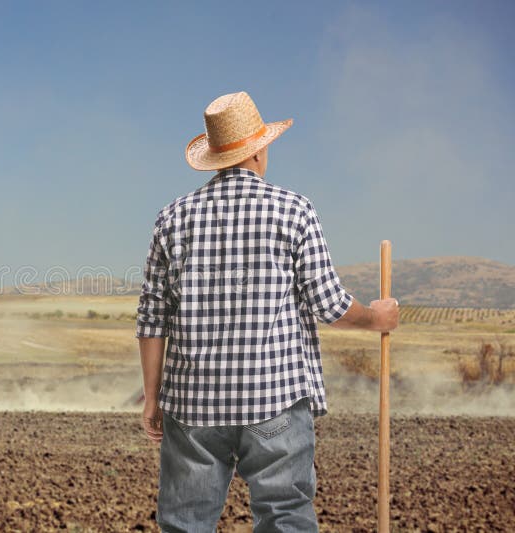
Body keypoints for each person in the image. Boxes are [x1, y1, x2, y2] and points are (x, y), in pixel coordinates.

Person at [135, 91, 400, 532]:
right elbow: (329, 304)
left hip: (192, 405)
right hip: (275, 400)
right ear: (258, 151)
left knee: (184, 524)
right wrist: (378, 318)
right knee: (285, 517)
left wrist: (151, 396)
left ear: (216, 159)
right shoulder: (294, 211)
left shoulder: (171, 219)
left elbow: (152, 318)